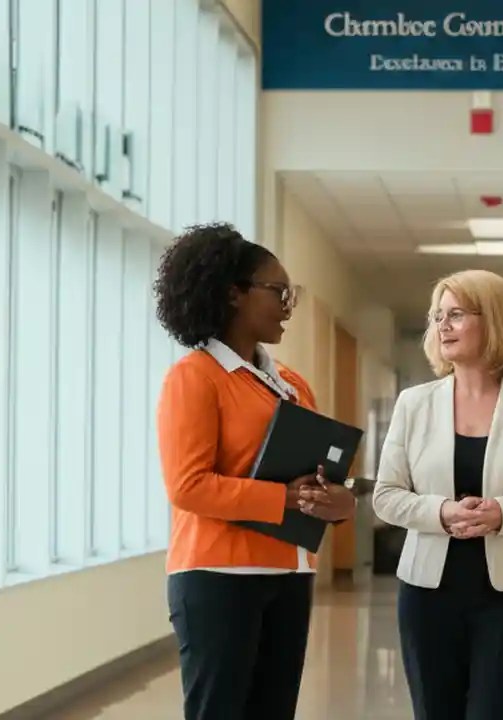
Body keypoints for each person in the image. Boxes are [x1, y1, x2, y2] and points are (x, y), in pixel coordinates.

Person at [153, 222, 357, 720]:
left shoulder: (290, 383)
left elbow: (315, 474)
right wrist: (283, 499)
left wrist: (339, 502)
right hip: (219, 576)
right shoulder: (195, 377)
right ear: (233, 294)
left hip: (289, 573)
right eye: (278, 291)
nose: (288, 305)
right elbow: (188, 486)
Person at [372, 269, 503, 720]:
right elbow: (387, 495)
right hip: (428, 593)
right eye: (437, 316)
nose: (442, 326)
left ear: (494, 321)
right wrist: (442, 512)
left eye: (455, 315)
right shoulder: (414, 403)